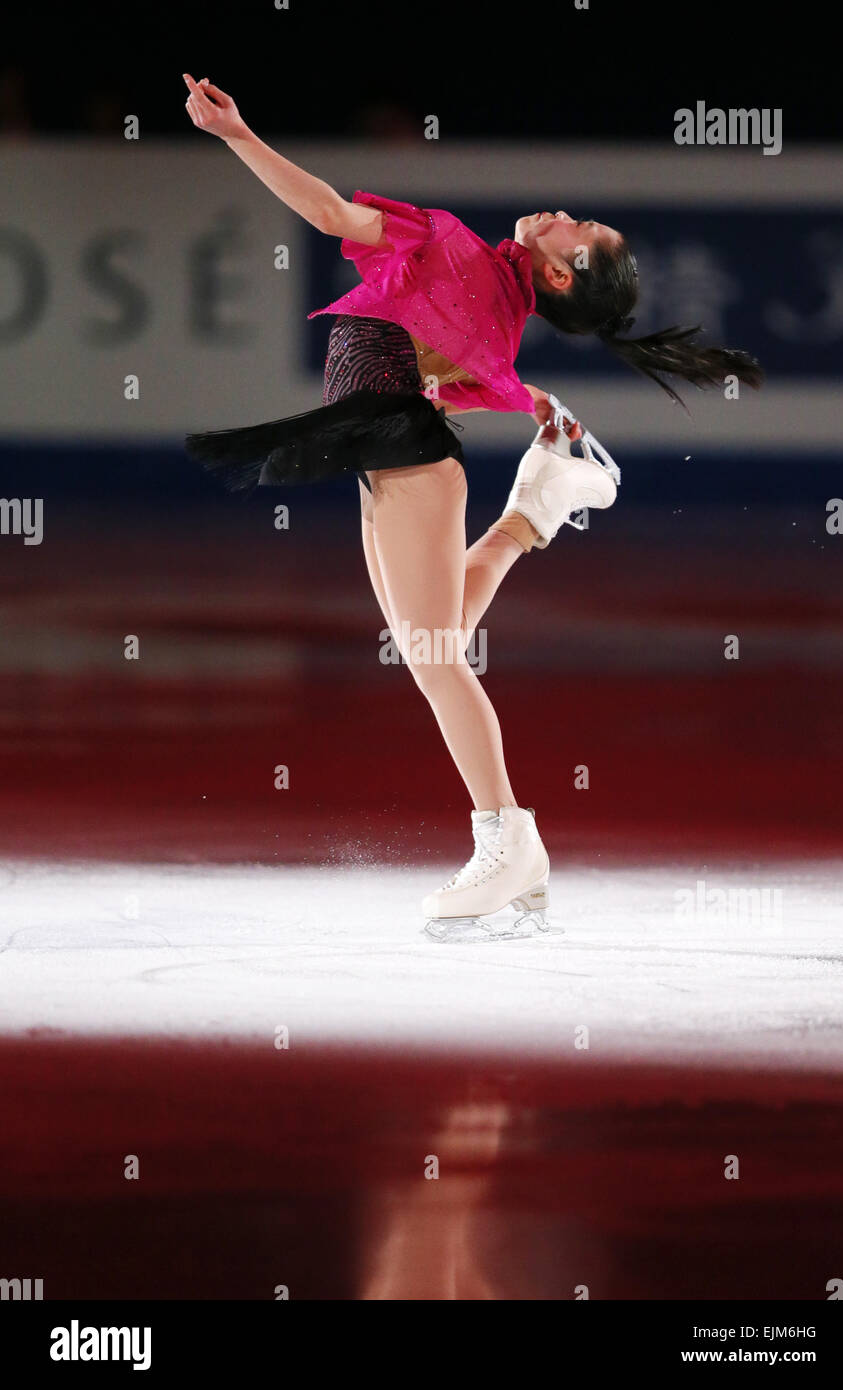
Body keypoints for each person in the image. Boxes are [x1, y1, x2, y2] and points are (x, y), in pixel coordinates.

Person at [182, 74, 763, 942]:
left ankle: (505, 836)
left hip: (409, 458)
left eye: (580, 230)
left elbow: (331, 214)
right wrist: (531, 402)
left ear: (562, 271)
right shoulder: (482, 287)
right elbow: (466, 367)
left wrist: (238, 137)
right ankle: (535, 510)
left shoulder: (451, 249)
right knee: (427, 645)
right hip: (390, 457)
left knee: (433, 655)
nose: (564, 213)